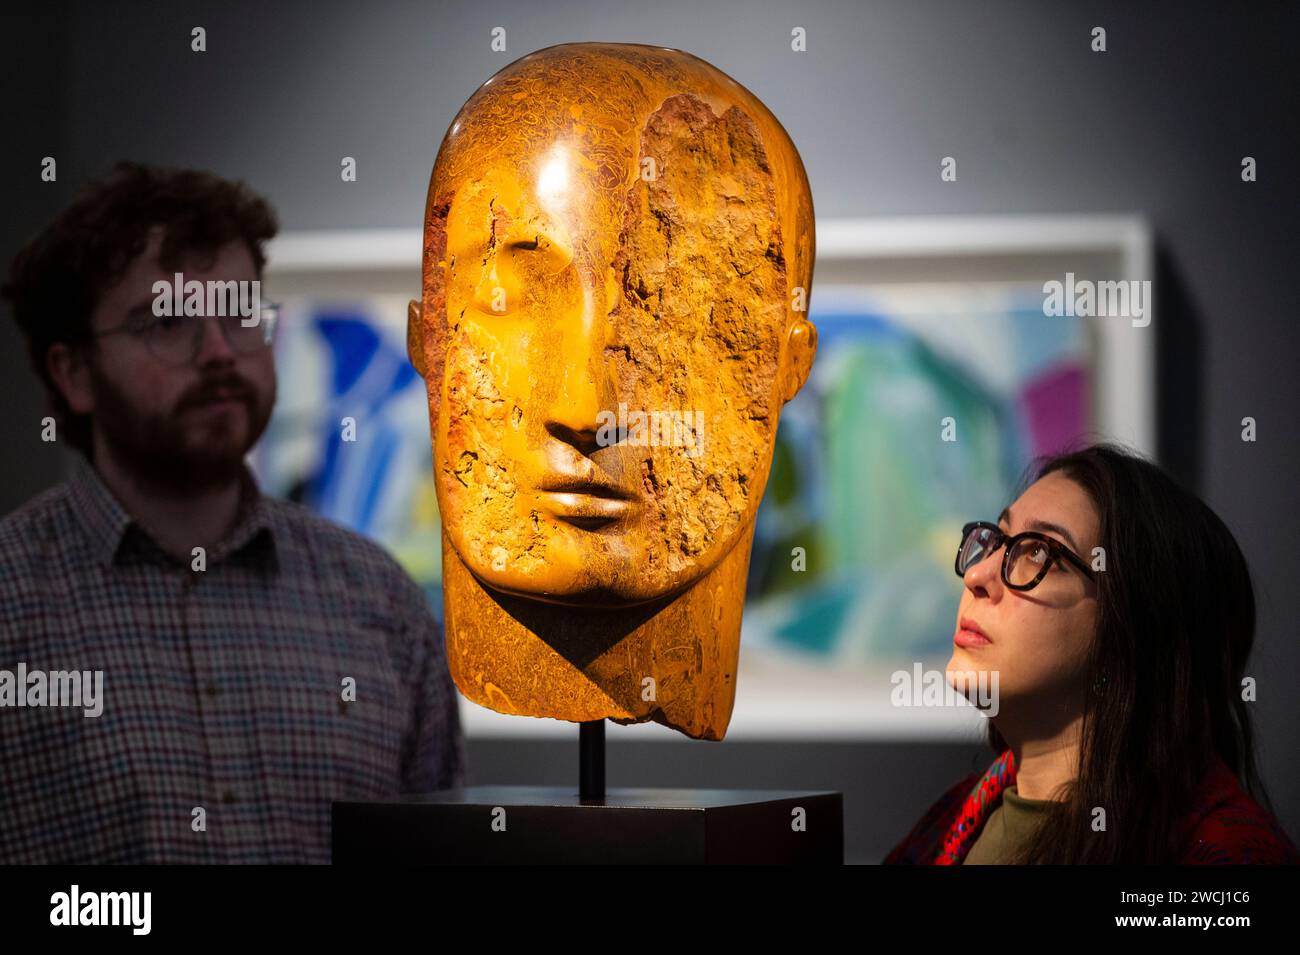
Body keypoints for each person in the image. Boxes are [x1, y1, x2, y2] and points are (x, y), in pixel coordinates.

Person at [0, 162, 465, 863]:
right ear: (72, 373)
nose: (218, 352)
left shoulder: (377, 598)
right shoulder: (12, 601)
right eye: (168, 321)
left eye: (241, 313)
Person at [884, 443, 1298, 864]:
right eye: (997, 539)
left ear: (1131, 634)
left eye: (1039, 552)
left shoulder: (1222, 854)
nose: (977, 575)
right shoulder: (945, 823)